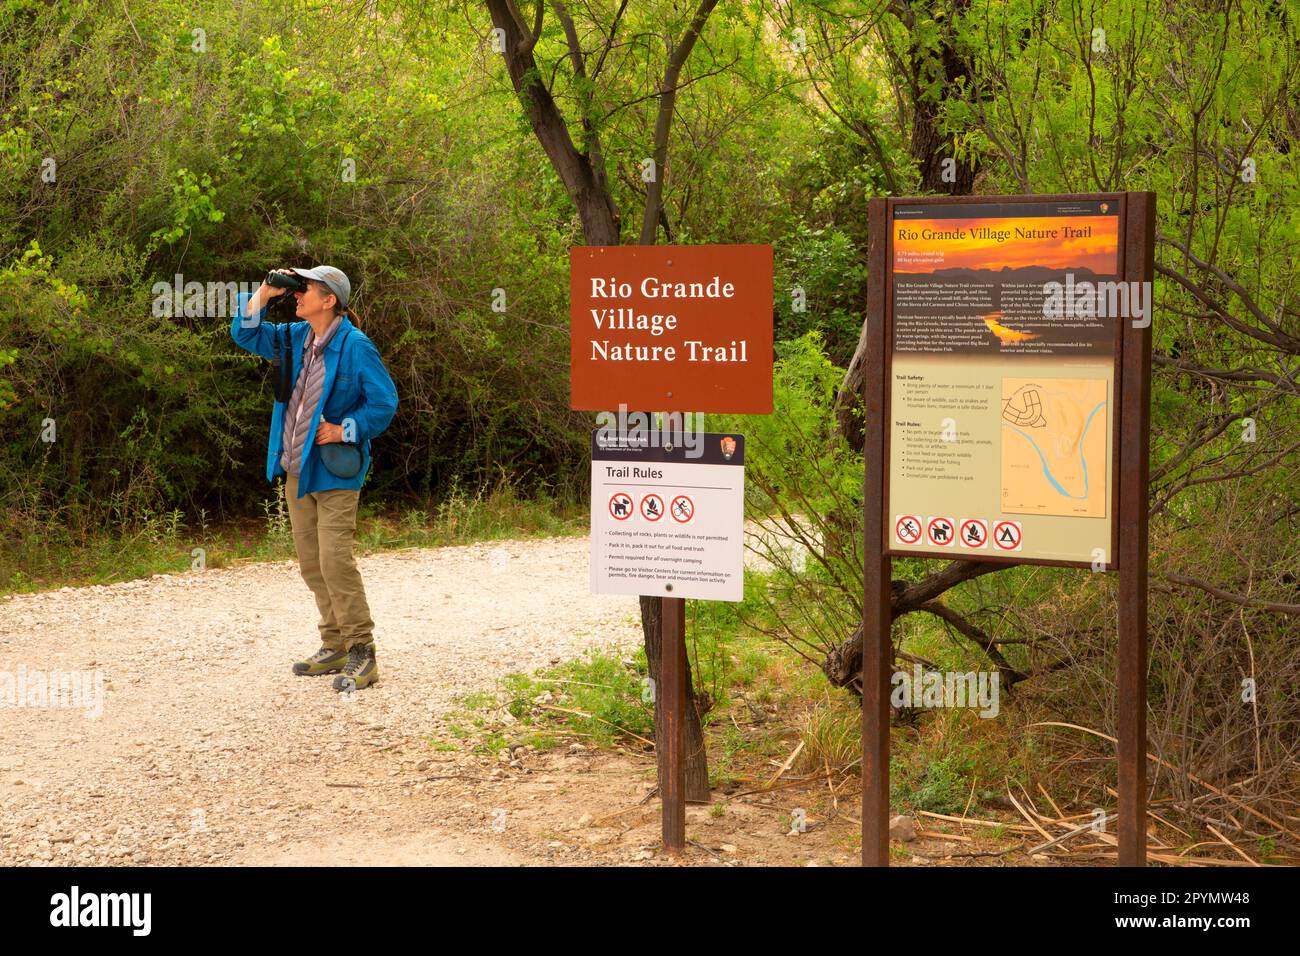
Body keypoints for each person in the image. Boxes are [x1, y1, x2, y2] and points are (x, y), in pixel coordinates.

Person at [231, 266, 398, 691]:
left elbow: (384, 402)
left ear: (329, 301)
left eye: (306, 289)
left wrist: (346, 429)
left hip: (336, 471)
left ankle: (363, 652)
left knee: (334, 561)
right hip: (295, 467)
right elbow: (245, 333)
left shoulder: (356, 346)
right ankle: (335, 643)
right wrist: (264, 293)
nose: (298, 294)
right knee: (311, 564)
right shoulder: (292, 338)